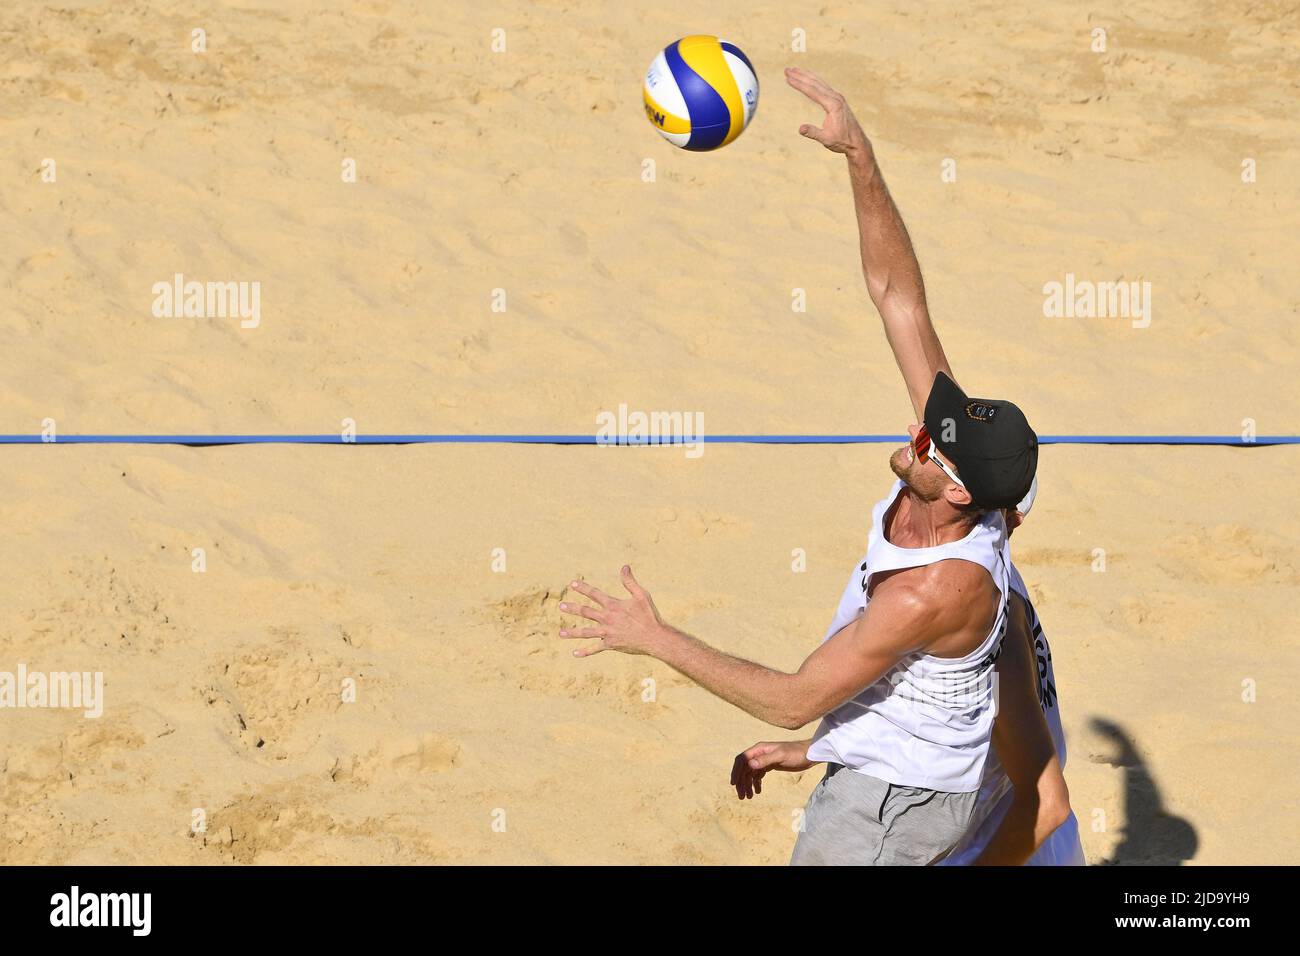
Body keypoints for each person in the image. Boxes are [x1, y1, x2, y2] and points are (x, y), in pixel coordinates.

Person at [559, 68, 1048, 865]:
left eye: (937, 438)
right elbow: (898, 296)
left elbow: (789, 700)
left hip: (895, 804)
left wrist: (655, 638)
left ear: (958, 489)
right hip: (904, 764)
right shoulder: (964, 476)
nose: (920, 431)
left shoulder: (936, 585)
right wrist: (859, 156)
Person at [731, 480, 1086, 866]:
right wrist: (816, 748)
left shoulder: (983, 626)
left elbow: (1046, 803)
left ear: (1007, 518)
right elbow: (922, 704)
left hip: (1005, 849)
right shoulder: (978, 581)